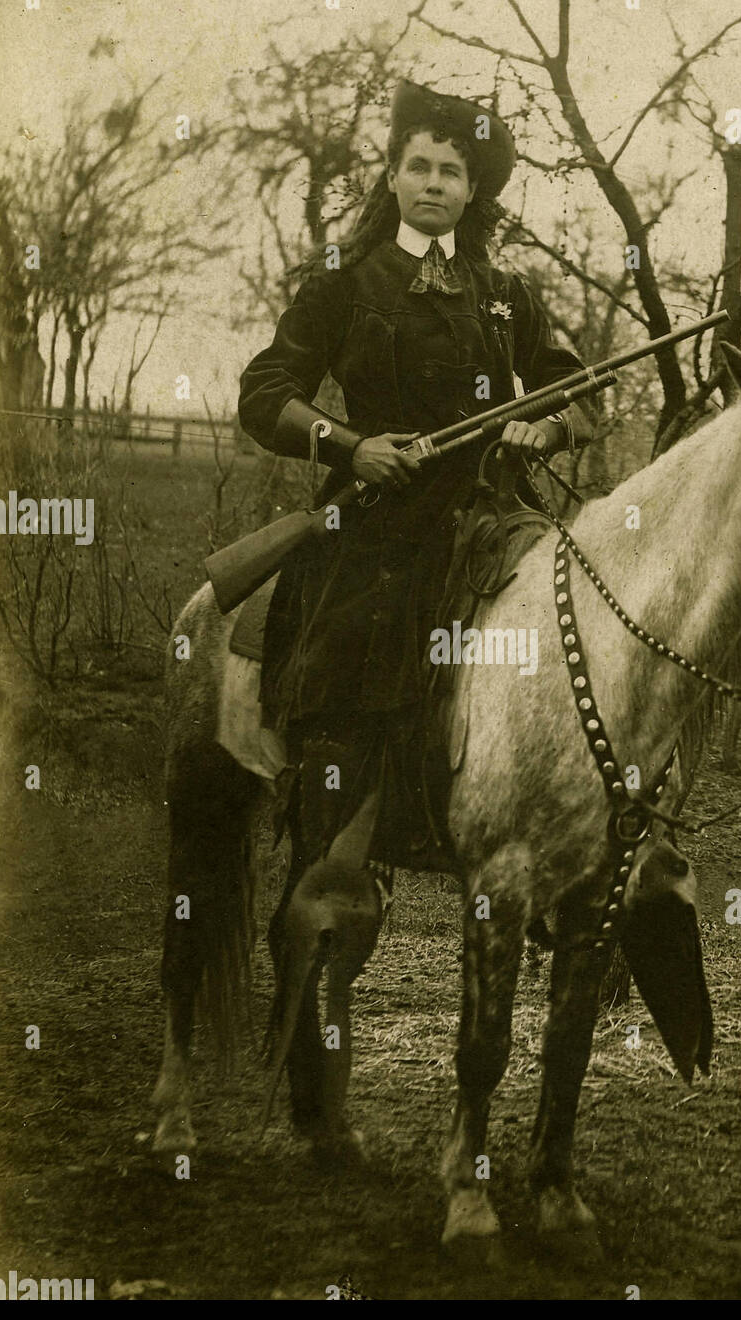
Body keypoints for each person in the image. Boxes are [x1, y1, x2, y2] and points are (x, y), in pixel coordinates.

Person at [238, 79, 594, 860]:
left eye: (451, 172)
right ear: (393, 176)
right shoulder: (344, 281)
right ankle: (331, 840)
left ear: (472, 193)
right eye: (420, 166)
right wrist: (349, 446)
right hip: (379, 516)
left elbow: (579, 394)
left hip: (494, 512)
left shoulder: (505, 295)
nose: (434, 183)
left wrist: (546, 426)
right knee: (346, 665)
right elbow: (265, 394)